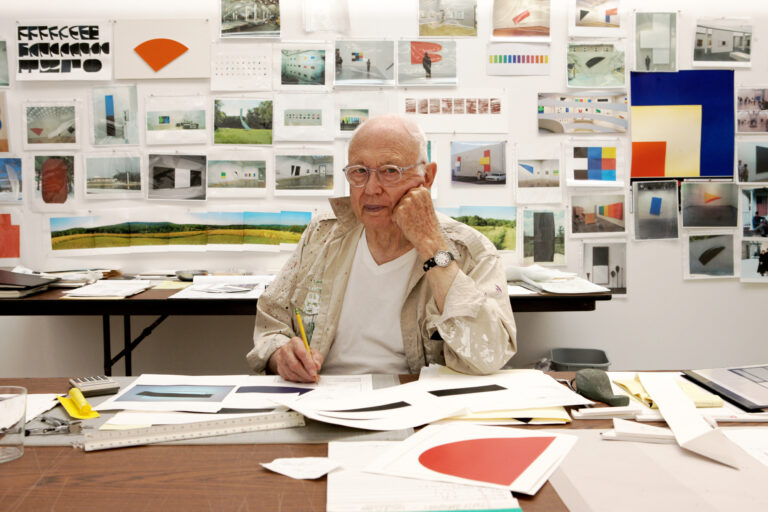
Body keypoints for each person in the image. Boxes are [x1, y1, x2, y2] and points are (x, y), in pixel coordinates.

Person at [248, 115, 517, 382]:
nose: (371, 189)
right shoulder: (322, 234)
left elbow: (489, 355)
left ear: (427, 177)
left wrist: (431, 245)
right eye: (359, 172)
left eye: (390, 171)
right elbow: (271, 322)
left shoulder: (472, 250)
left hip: (418, 403)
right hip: (321, 396)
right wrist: (279, 354)